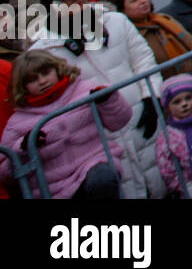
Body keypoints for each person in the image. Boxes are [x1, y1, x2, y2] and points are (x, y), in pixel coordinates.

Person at [29, 0, 166, 198]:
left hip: (144, 119)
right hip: (99, 142)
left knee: (166, 180)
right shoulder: (42, 52)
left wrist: (152, 97)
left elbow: (143, 61)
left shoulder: (116, 21)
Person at [0, 49, 132, 199]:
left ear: (57, 69)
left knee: (102, 179)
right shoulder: (17, 121)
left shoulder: (84, 90)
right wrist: (24, 147)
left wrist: (109, 101)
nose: (42, 81)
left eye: (46, 73)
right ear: (22, 86)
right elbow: (4, 170)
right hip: (55, 188)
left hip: (94, 165)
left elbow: (120, 121)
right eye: (32, 80)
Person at [106, 0, 192, 86]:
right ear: (122, 10)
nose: (143, 1)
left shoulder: (164, 19)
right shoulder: (131, 36)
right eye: (134, 0)